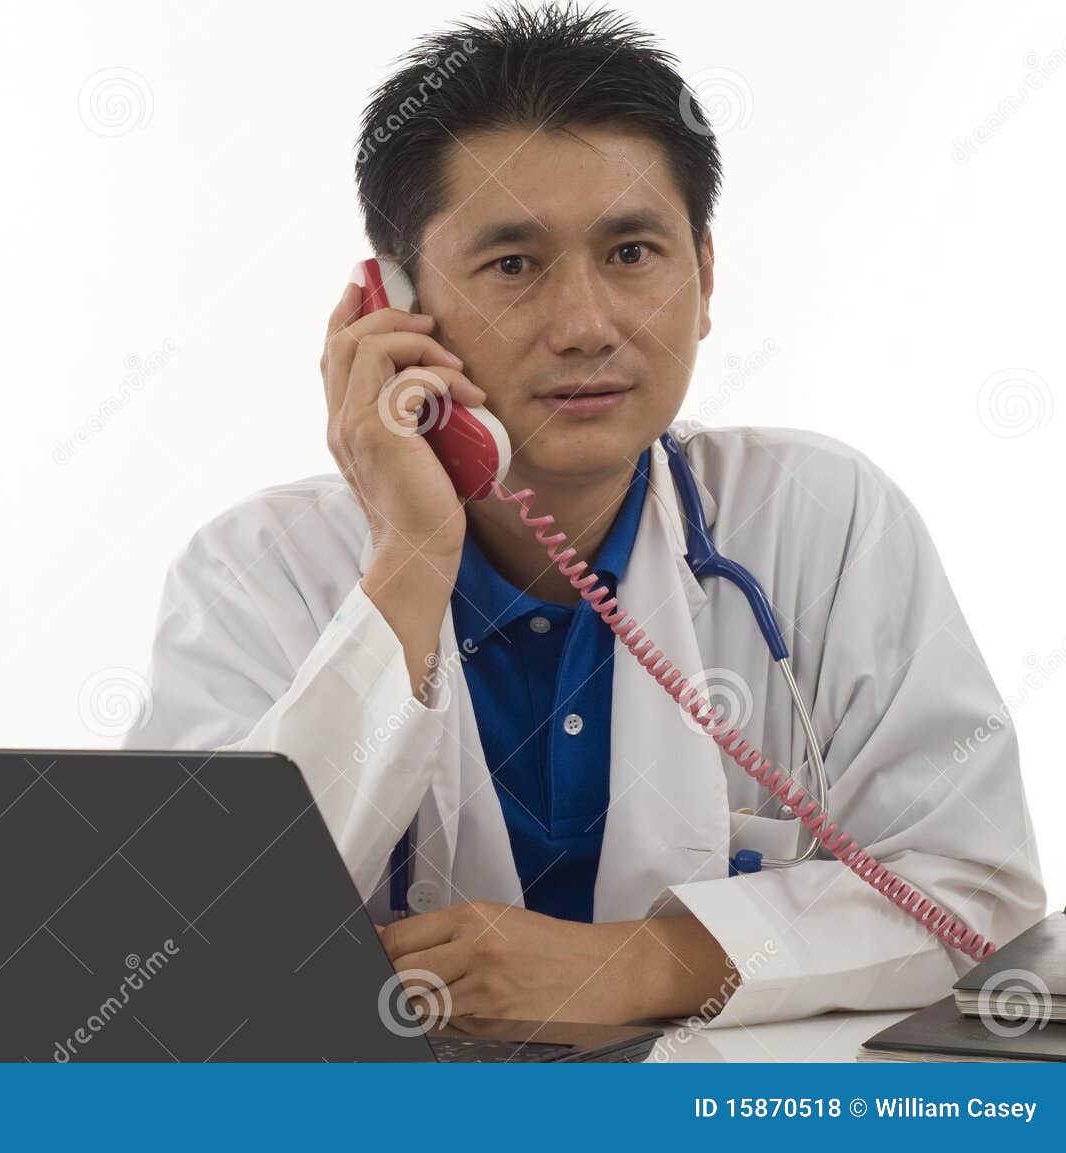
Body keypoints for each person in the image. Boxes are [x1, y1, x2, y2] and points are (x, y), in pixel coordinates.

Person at [125, 2, 1045, 1027]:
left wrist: (646, 963)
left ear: (702, 279)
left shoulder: (818, 522)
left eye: (632, 253)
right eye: (512, 264)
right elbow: (176, 948)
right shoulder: (256, 570)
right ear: (389, 306)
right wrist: (409, 556)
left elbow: (972, 893)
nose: (584, 324)